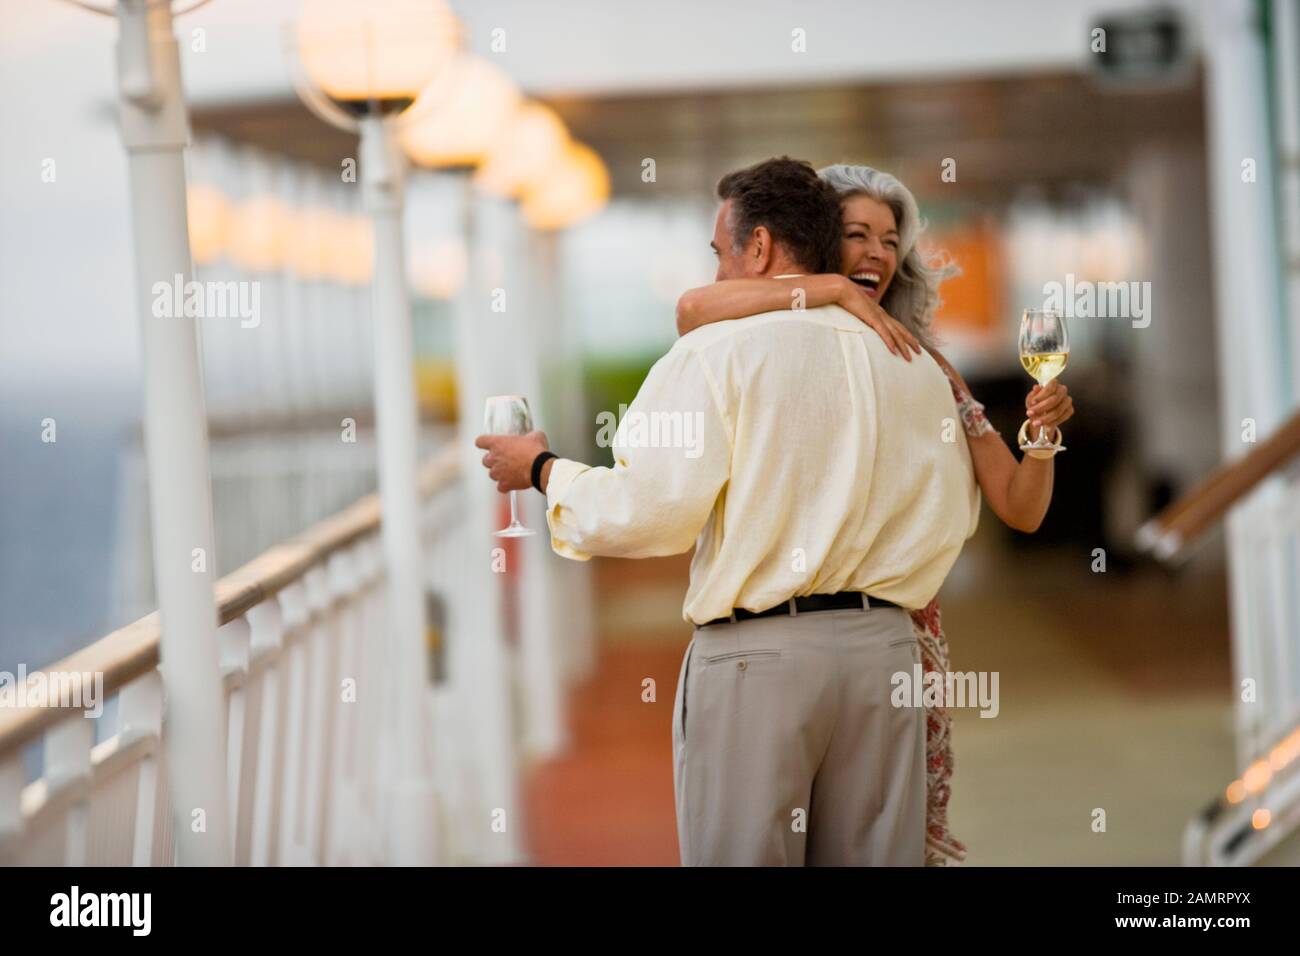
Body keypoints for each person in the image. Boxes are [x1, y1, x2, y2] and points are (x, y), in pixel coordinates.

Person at [476, 156, 979, 866]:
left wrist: (540, 469)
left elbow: (650, 512)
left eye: (721, 251)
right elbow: (953, 514)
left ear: (763, 246)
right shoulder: (914, 364)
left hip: (757, 660)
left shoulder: (714, 353)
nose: (717, 271)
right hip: (885, 659)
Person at [672, 162, 1076, 864]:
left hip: (892, 641)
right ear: (821, 243)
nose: (877, 255)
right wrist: (825, 291)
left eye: (890, 240)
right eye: (856, 235)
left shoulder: (927, 365)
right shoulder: (759, 330)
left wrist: (1040, 438)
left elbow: (1020, 508)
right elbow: (691, 308)